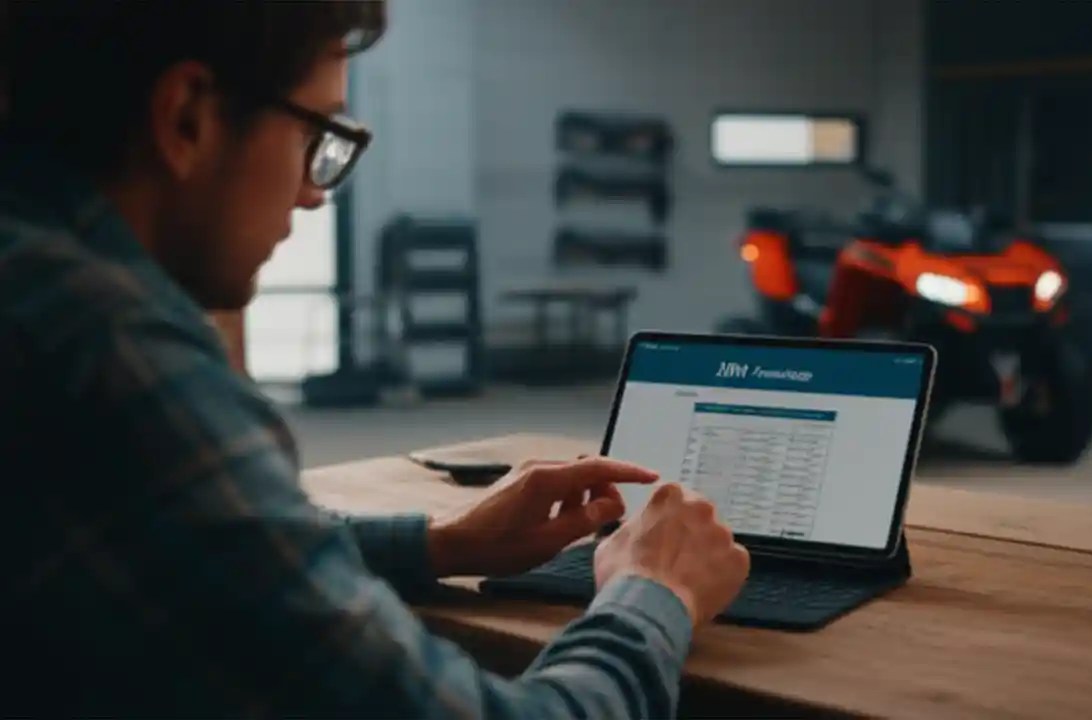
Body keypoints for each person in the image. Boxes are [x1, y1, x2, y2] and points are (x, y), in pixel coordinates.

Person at [0, 1, 750, 716]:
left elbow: (194, 543)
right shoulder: (114, 360)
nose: (311, 194)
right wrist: (653, 590)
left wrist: (444, 543)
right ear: (188, 116)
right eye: (313, 135)